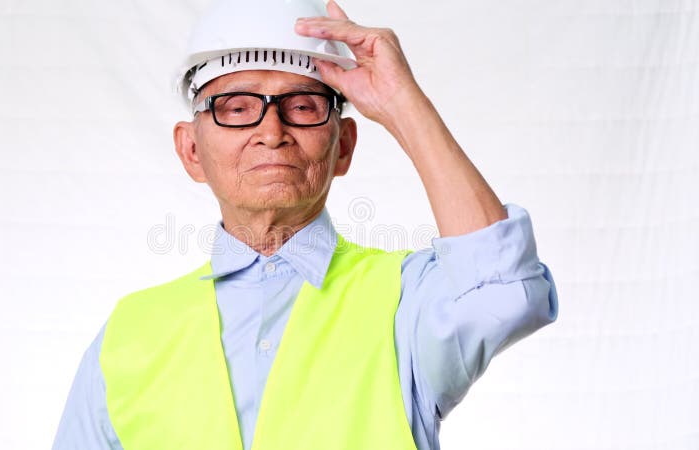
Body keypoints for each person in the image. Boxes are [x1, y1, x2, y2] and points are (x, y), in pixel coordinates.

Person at [52, 0, 559, 449]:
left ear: (343, 146)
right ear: (190, 150)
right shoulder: (128, 336)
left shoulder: (405, 302)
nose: (271, 133)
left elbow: (505, 293)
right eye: (237, 107)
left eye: (302, 106)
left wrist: (404, 105)